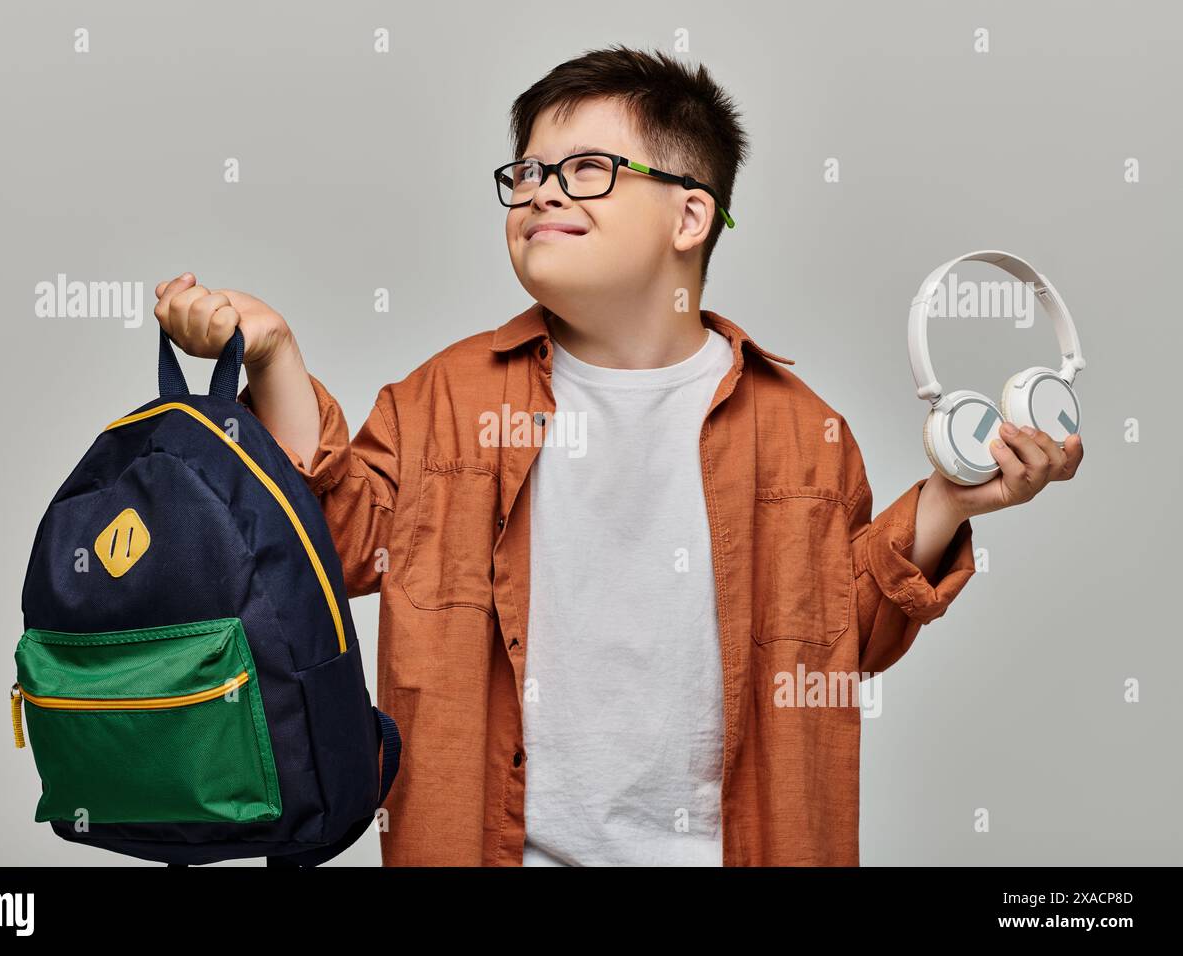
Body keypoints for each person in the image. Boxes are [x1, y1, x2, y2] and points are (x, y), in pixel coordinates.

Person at [153, 45, 1083, 866]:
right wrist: (273, 357)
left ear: (690, 219)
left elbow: (845, 640)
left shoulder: (803, 433)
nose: (543, 190)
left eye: (588, 168)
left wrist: (955, 498)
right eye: (526, 172)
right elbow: (338, 542)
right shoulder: (445, 399)